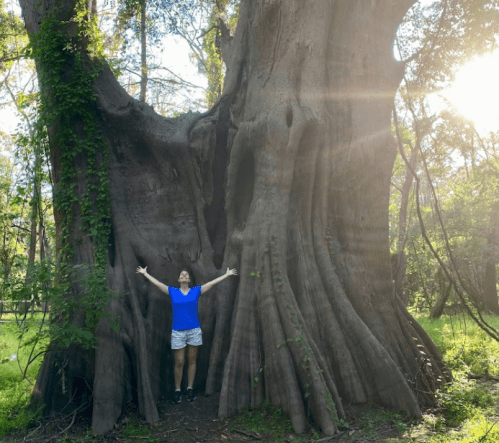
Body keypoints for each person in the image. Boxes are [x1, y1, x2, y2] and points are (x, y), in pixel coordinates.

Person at [136, 266, 237, 403]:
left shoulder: (195, 291)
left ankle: (190, 388)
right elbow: (159, 284)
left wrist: (226, 275)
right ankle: (177, 389)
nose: (184, 276)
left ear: (189, 279)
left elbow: (211, 283)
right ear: (179, 279)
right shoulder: (173, 292)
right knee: (179, 362)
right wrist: (145, 273)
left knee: (192, 360)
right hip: (178, 331)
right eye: (181, 275)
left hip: (194, 330)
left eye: (186, 275)